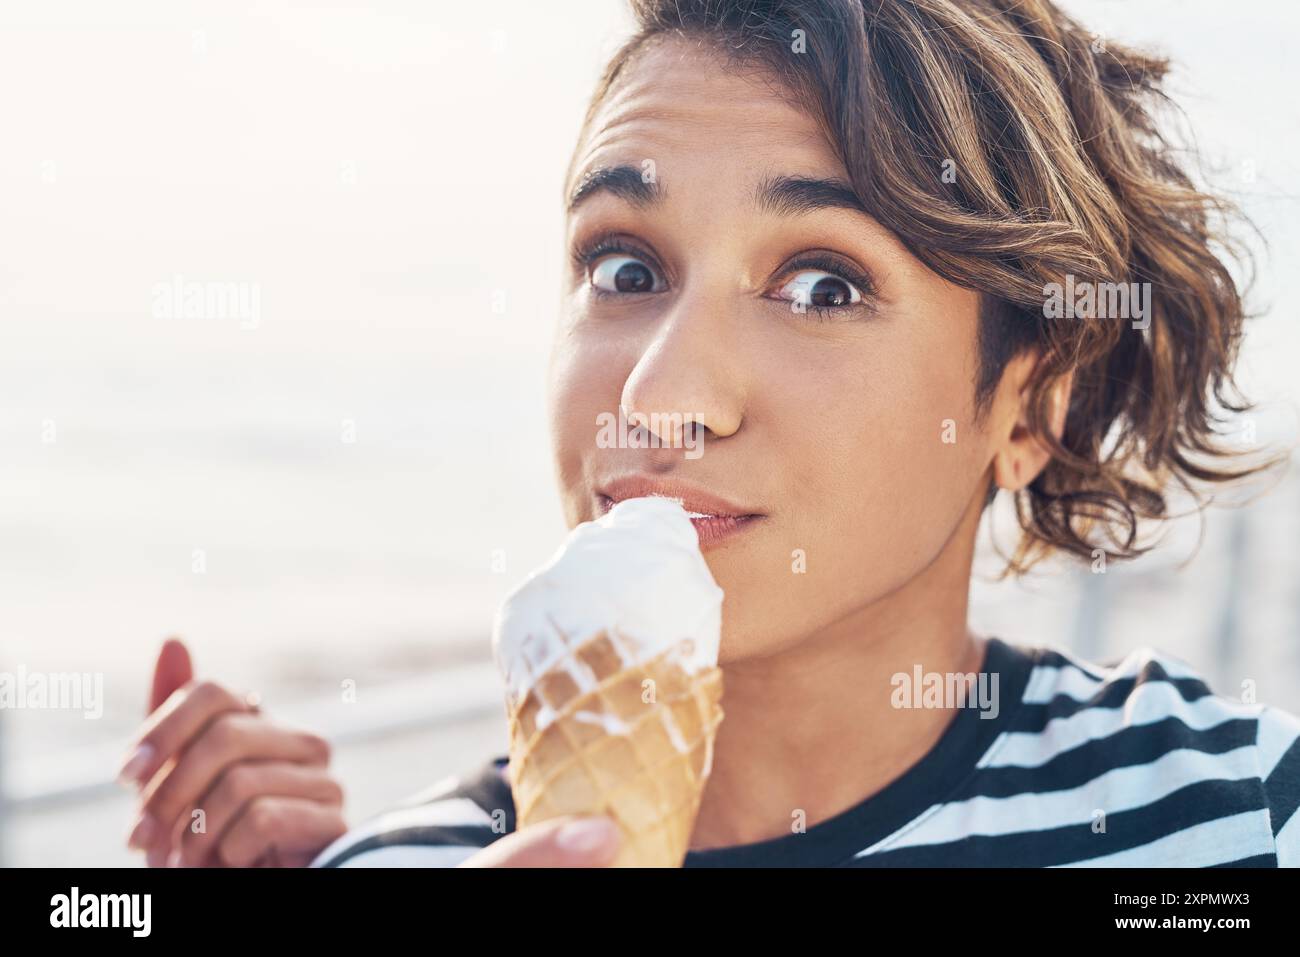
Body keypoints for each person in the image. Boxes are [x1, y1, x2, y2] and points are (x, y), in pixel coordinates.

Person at [123, 0, 1300, 868]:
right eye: (624, 265)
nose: (657, 393)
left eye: (823, 286)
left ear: (1028, 405)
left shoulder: (1236, 817)